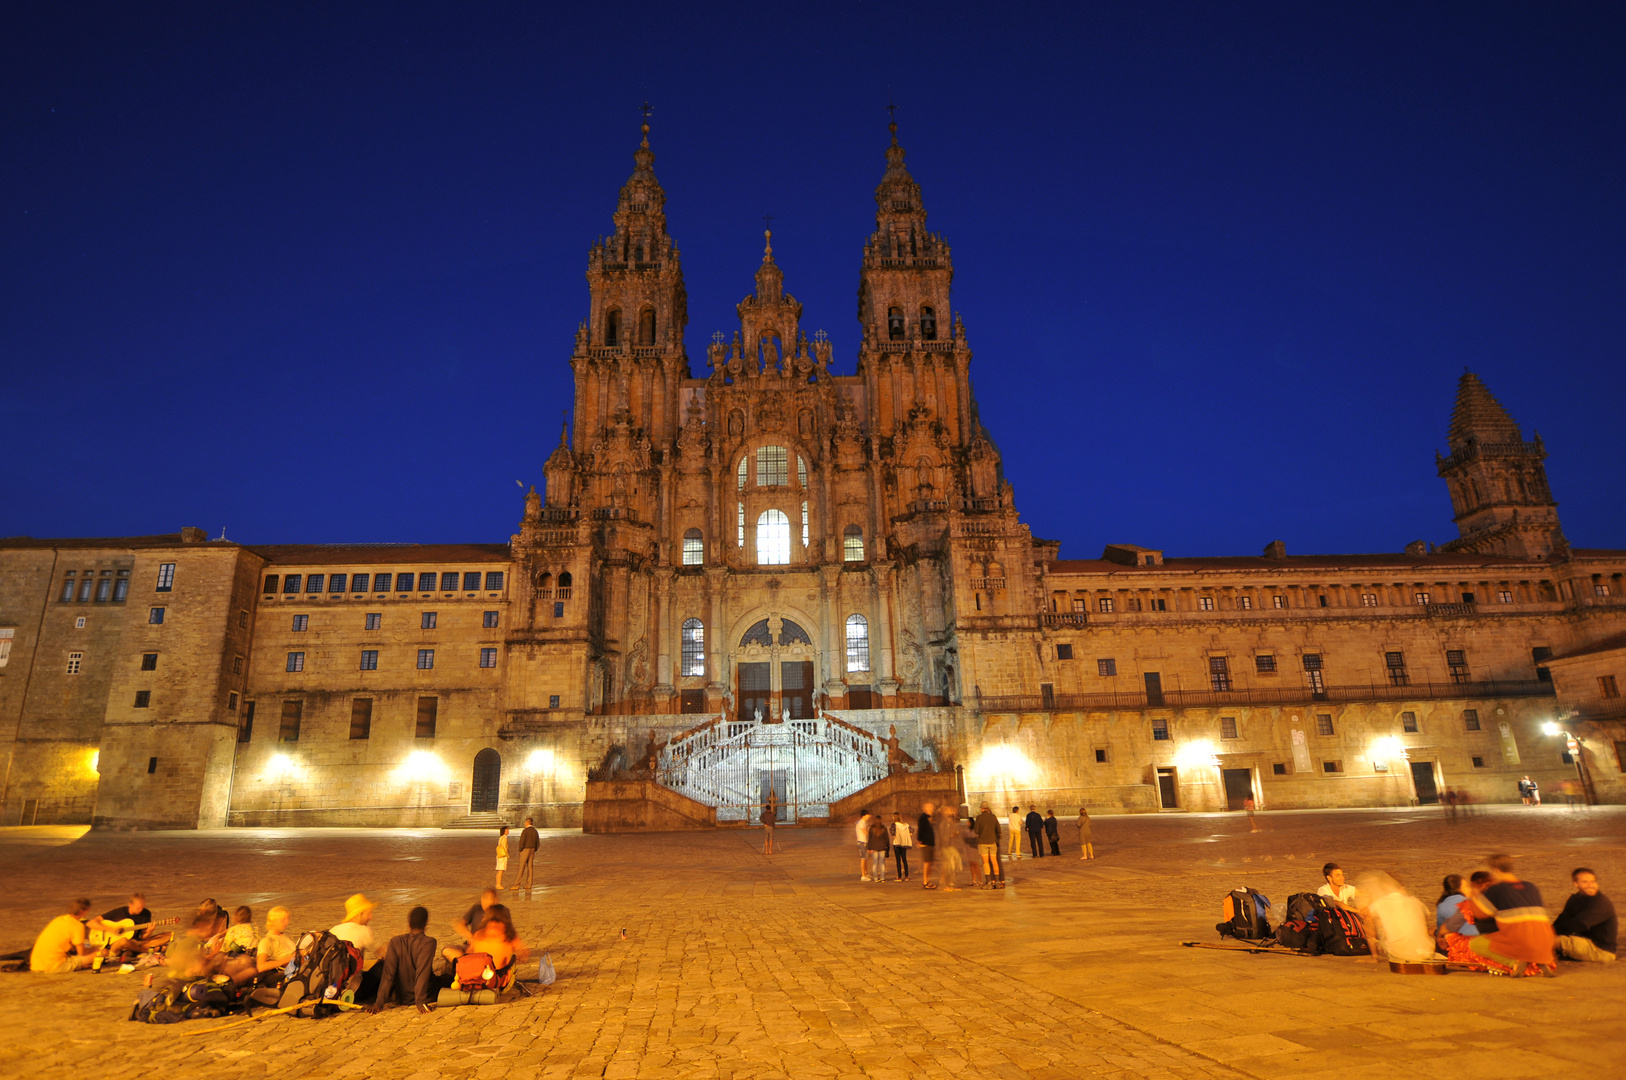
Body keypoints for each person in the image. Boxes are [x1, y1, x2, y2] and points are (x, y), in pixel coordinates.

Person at [1469, 853, 1556, 976]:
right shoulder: (1531, 886)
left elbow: (1480, 914)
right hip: (1545, 940)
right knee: (1524, 935)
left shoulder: (1497, 889)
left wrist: (1474, 894)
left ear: (1496, 870)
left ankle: (1514, 962)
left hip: (1520, 940)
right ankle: (1539, 961)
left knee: (1475, 944)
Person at [366, 906, 439, 1013]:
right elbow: (422, 971)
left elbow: (388, 974)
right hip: (427, 995)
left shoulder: (395, 942)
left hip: (402, 997)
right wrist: (420, 1002)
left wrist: (379, 1003)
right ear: (426, 923)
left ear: (409, 924)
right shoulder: (428, 942)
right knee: (446, 978)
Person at [1354, 872, 1438, 962]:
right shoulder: (1415, 901)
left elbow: (1372, 932)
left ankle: (1374, 957)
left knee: (1373, 921)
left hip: (1398, 953)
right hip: (1427, 951)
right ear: (1400, 887)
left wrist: (1358, 924)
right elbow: (1425, 920)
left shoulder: (1379, 903)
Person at [1553, 867, 1616, 963]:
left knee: (1548, 941)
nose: (1590, 885)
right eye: (1585, 882)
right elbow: (1562, 919)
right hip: (1582, 942)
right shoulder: (1575, 899)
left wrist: (1547, 935)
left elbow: (1579, 924)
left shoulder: (1601, 902)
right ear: (1576, 883)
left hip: (1601, 950)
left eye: (1593, 881)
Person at [465, 904, 529, 989]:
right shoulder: (510, 935)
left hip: (476, 978)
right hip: (498, 980)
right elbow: (524, 955)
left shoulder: (478, 934)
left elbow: (468, 954)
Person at [30, 898, 96, 973]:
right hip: (53, 966)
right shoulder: (77, 925)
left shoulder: (59, 919)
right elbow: (82, 953)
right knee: (101, 953)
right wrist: (92, 949)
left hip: (36, 965)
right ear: (82, 911)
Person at [99, 892, 171, 958]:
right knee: (124, 941)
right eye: (138, 907)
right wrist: (111, 929)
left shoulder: (146, 914)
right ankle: (143, 950)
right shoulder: (120, 912)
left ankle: (132, 951)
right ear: (130, 904)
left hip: (135, 943)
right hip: (115, 944)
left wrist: (149, 931)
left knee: (169, 935)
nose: (141, 910)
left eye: (142, 907)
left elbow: (143, 938)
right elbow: (92, 922)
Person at [444, 888, 498, 966]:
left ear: (495, 900)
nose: (486, 902)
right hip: (470, 947)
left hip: (486, 949)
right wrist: (470, 937)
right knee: (447, 950)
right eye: (484, 898)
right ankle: (466, 963)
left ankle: (465, 965)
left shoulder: (500, 912)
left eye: (489, 899)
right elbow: (461, 924)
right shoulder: (476, 909)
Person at [256, 906, 296, 980]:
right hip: (290, 972)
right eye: (284, 920)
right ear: (274, 921)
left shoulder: (284, 936)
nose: (287, 922)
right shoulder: (267, 941)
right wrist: (290, 959)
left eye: (288, 919)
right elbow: (261, 966)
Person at [975, 802, 1005, 889]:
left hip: (983, 842)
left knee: (986, 863)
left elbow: (976, 830)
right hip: (992, 842)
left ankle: (989, 882)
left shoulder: (979, 818)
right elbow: (998, 829)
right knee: (994, 862)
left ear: (982, 809)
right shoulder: (993, 817)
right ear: (988, 808)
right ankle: (997, 881)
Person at [916, 803, 937, 890]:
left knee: (929, 863)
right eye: (930, 807)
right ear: (925, 808)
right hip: (925, 842)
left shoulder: (929, 817)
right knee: (927, 862)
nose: (932, 809)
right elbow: (920, 829)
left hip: (930, 842)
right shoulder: (923, 818)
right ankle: (925, 881)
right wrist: (919, 840)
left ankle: (927, 880)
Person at [866, 809, 891, 882]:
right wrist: (888, 848)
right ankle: (883, 878)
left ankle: (876, 878)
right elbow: (887, 839)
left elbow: (869, 838)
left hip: (874, 847)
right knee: (882, 864)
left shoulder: (871, 828)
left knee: (875, 863)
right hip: (882, 847)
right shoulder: (884, 828)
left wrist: (869, 848)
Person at [517, 817, 540, 889]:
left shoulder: (525, 831)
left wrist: (520, 849)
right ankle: (529, 884)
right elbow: (538, 842)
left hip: (525, 849)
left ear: (527, 823)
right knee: (530, 867)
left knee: (522, 866)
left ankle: (516, 884)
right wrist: (534, 849)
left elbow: (522, 841)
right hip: (532, 849)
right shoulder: (535, 831)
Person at [890, 812, 913, 881]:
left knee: (898, 860)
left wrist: (895, 836)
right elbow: (912, 830)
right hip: (904, 843)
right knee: (904, 859)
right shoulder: (906, 825)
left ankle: (899, 876)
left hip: (897, 843)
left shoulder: (894, 824)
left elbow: (892, 833)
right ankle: (906, 876)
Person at [856, 811, 874, 881]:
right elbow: (866, 832)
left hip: (865, 842)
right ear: (863, 815)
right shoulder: (861, 823)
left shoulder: (864, 822)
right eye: (868, 815)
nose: (869, 816)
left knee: (866, 858)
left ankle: (866, 873)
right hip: (862, 842)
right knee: (863, 858)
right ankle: (863, 875)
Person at [494, 825, 510, 890]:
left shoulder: (501, 837)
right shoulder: (504, 838)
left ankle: (498, 884)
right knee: (500, 871)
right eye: (507, 830)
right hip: (502, 856)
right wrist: (507, 855)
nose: (508, 831)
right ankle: (498, 884)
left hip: (500, 856)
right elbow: (504, 848)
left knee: (499, 871)